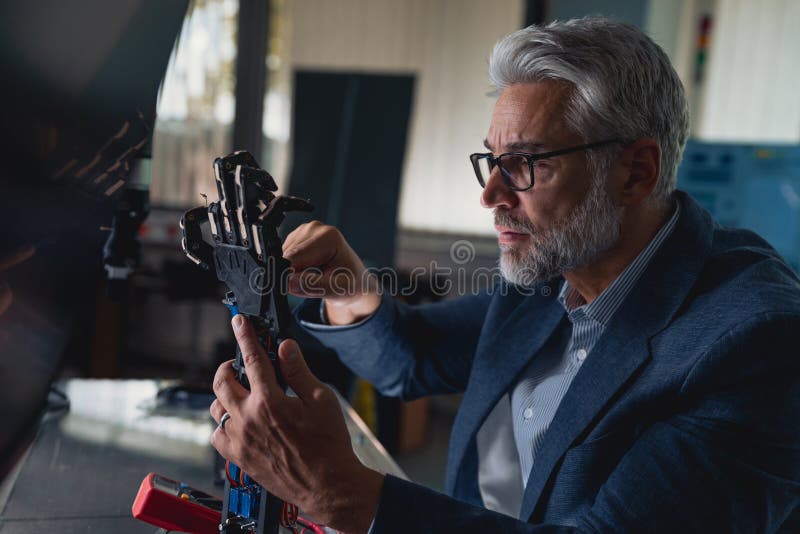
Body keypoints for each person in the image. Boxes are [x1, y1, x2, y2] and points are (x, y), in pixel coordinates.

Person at [208, 17, 800, 532]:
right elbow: (411, 358)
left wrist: (343, 493)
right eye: (492, 161)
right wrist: (349, 286)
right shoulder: (554, 272)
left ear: (635, 171)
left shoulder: (759, 341)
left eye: (525, 162)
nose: (490, 194)